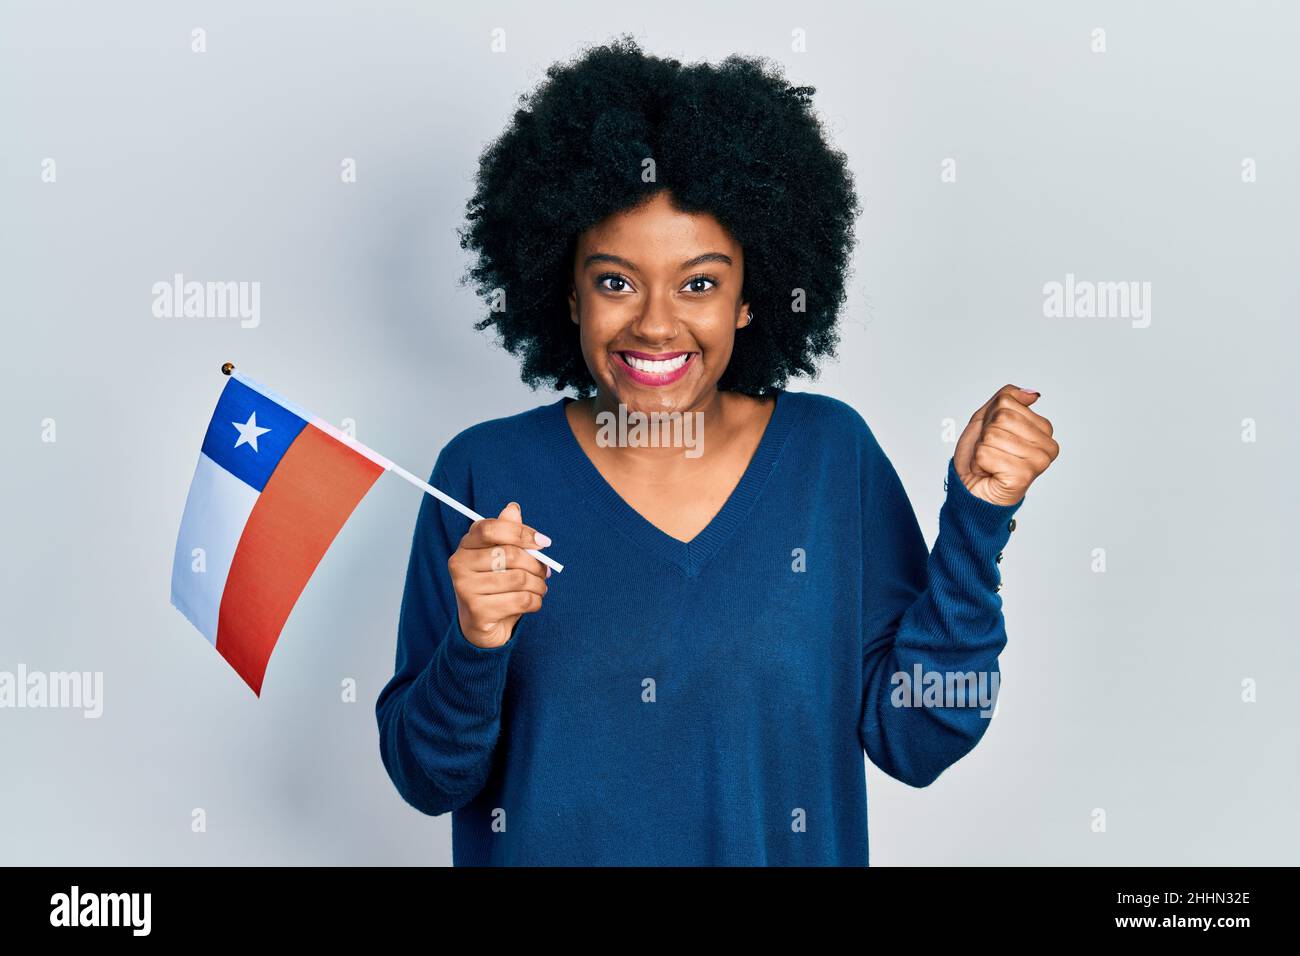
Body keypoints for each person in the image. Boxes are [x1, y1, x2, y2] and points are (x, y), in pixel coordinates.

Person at [374, 35, 1058, 865]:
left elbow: (918, 739)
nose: (656, 323)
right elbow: (427, 778)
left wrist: (977, 521)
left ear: (747, 299)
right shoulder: (483, 475)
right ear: (567, 291)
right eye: (615, 281)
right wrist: (474, 645)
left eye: (699, 283)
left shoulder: (828, 459)